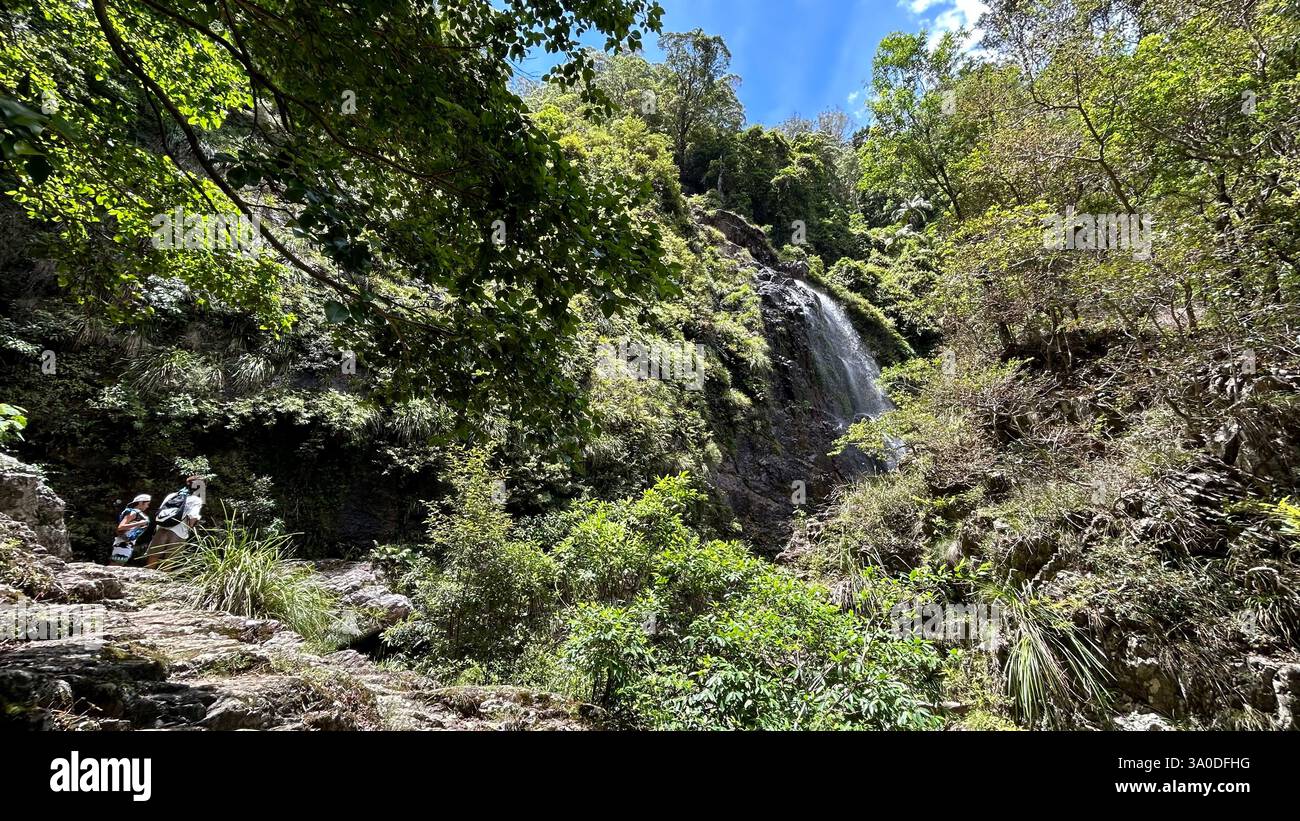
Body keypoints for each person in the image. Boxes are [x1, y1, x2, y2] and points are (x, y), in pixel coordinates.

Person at [145, 475, 205, 569]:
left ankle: (145, 578)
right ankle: (161, 582)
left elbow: (161, 510)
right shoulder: (196, 500)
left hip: (162, 527)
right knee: (169, 560)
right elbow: (192, 518)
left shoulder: (172, 495)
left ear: (187, 483)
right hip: (179, 532)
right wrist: (193, 524)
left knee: (154, 556)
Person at [109, 494, 151, 565]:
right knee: (116, 564)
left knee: (119, 563)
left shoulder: (136, 513)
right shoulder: (133, 512)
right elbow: (121, 527)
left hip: (127, 542)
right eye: (147, 504)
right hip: (122, 543)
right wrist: (139, 523)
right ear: (141, 502)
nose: (147, 506)